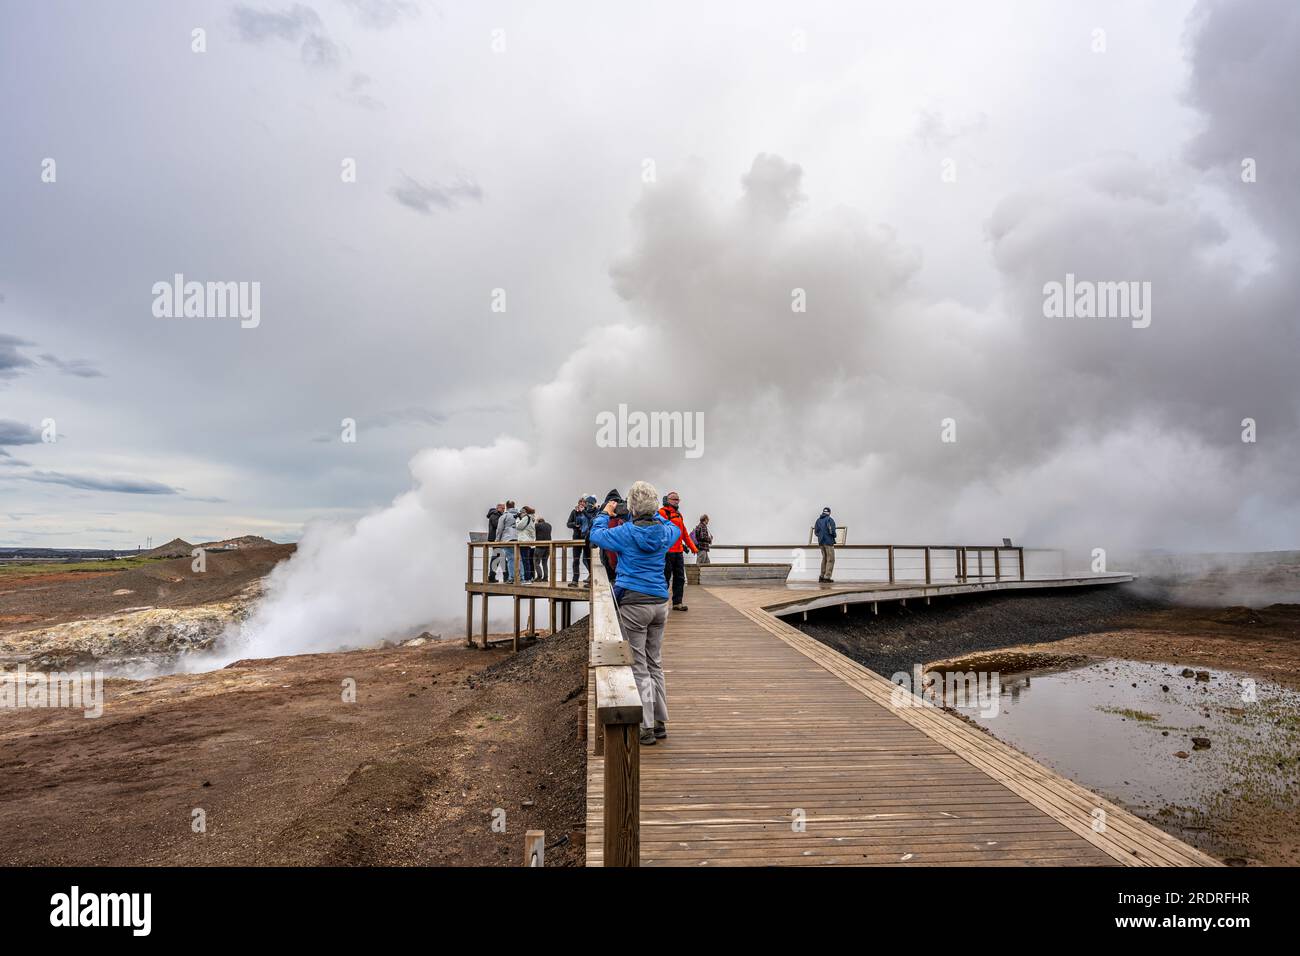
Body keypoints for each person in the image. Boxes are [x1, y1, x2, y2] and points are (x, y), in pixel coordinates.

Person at [590, 481, 680, 746]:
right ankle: (660, 721)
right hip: (660, 603)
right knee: (656, 663)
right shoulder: (666, 532)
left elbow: (596, 535)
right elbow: (673, 527)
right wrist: (658, 514)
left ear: (631, 507)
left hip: (633, 602)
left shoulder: (626, 533)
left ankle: (645, 726)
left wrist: (606, 513)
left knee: (639, 665)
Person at [658, 491, 698, 611]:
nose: (676, 501)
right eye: (674, 499)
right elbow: (658, 531)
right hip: (667, 552)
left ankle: (677, 603)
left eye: (677, 499)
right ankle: (661, 602)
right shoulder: (662, 513)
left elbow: (684, 533)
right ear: (668, 500)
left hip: (678, 551)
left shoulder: (679, 515)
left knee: (680, 577)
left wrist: (692, 547)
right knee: (665, 577)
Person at [565, 496, 590, 586]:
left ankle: (591, 578)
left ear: (586, 503)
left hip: (587, 538)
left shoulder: (588, 511)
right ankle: (575, 580)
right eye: (580, 501)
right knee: (576, 559)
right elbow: (568, 524)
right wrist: (575, 525)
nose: (582, 503)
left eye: (583, 502)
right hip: (576, 538)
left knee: (588, 559)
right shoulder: (574, 512)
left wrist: (584, 511)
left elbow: (591, 520)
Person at [498, 500, 520, 583]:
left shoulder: (505, 516)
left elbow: (499, 529)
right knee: (519, 559)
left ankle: (511, 578)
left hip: (507, 539)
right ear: (514, 506)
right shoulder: (519, 515)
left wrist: (497, 540)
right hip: (518, 539)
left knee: (510, 558)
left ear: (507, 507)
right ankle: (521, 577)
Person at [815, 506, 837, 583]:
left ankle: (821, 576)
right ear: (829, 513)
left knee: (824, 558)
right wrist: (834, 536)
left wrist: (821, 536)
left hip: (821, 542)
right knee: (830, 559)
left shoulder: (818, 520)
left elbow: (816, 532)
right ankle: (827, 577)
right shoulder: (829, 520)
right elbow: (832, 531)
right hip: (828, 542)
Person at [516, 505, 537, 582]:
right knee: (528, 560)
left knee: (525, 561)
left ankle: (527, 578)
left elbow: (518, 527)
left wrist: (517, 519)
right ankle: (530, 577)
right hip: (529, 542)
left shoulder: (526, 518)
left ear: (525, 512)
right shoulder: (531, 518)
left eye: (521, 512)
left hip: (524, 541)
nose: (520, 513)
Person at [486, 503, 505, 582]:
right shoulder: (494, 515)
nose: (504, 510)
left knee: (498, 557)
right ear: (498, 508)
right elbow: (496, 525)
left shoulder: (497, 515)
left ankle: (492, 576)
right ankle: (492, 576)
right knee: (498, 558)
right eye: (503, 508)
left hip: (497, 539)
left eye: (504, 508)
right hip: (495, 539)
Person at [534, 515, 552, 582]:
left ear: (538, 521)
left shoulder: (537, 525)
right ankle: (546, 577)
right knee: (545, 563)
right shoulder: (549, 525)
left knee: (536, 562)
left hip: (539, 546)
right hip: (548, 547)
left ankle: (539, 576)